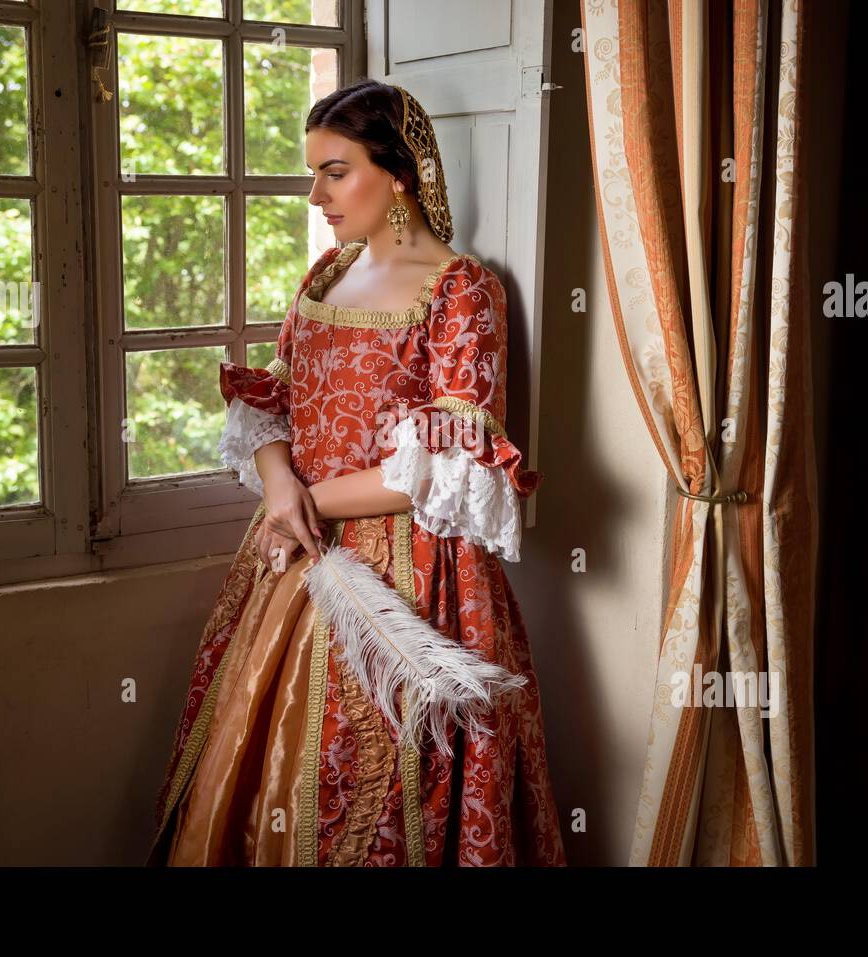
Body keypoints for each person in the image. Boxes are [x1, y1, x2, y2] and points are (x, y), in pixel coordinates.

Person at [148, 79, 566, 866]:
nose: (317, 194)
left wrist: (301, 498)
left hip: (412, 576)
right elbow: (272, 403)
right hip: (297, 552)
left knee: (389, 787)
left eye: (335, 171)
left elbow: (439, 471)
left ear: (398, 172)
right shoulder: (325, 276)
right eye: (314, 173)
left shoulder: (462, 290)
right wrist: (279, 486)